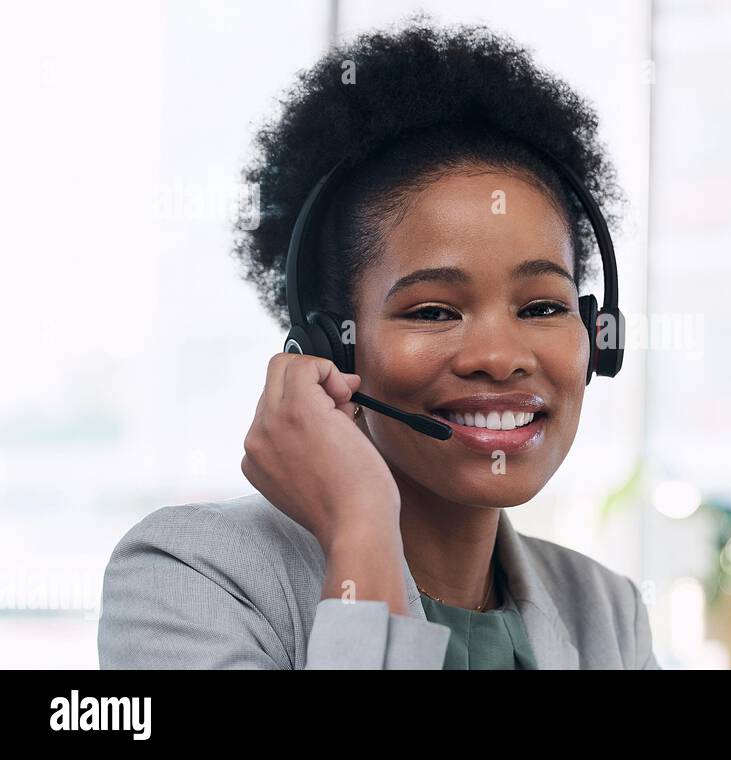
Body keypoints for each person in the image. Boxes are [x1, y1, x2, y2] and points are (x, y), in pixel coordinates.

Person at [97, 16, 658, 670]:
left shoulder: (606, 612)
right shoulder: (192, 577)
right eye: (433, 311)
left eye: (541, 305)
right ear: (331, 350)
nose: (501, 356)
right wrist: (362, 530)